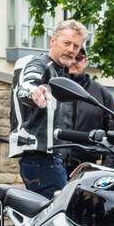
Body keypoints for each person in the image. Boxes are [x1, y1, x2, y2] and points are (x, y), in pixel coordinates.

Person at [9, 20, 87, 197]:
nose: (71, 50)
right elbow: (27, 84)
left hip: (51, 158)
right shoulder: (41, 64)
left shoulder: (61, 72)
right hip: (42, 158)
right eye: (66, 43)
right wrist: (35, 92)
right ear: (53, 41)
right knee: (59, 215)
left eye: (76, 46)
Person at [57, 47, 114, 173]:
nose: (74, 61)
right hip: (54, 162)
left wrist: (106, 168)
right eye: (70, 57)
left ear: (85, 61)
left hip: (86, 166)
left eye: (78, 58)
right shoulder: (53, 87)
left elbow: (113, 134)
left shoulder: (101, 94)